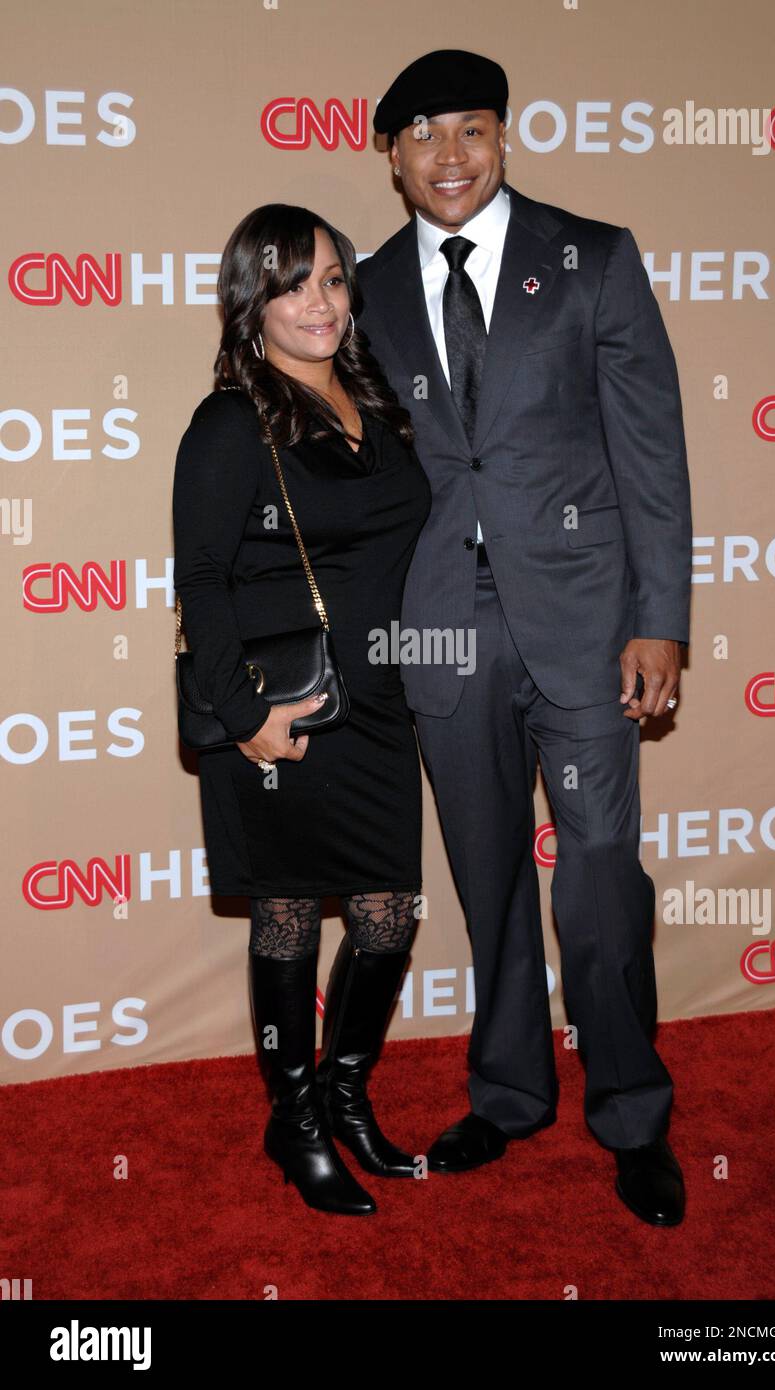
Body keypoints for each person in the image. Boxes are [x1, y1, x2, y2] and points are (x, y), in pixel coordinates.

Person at [355, 49, 693, 1226]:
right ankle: (505, 1095)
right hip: (443, 629)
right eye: (424, 136)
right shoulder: (369, 287)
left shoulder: (590, 256)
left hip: (589, 620)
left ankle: (632, 1114)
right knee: (485, 871)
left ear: (502, 139)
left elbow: (650, 451)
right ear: (389, 155)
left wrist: (660, 620)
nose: (451, 156)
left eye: (473, 130)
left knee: (598, 879)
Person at [172, 204, 432, 1216]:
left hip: (378, 703)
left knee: (386, 914)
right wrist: (241, 717)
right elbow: (200, 579)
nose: (316, 302)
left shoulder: (376, 402)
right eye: (290, 283)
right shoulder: (234, 420)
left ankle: (345, 1094)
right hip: (282, 713)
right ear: (253, 303)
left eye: (330, 278)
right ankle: (295, 1118)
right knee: (286, 914)